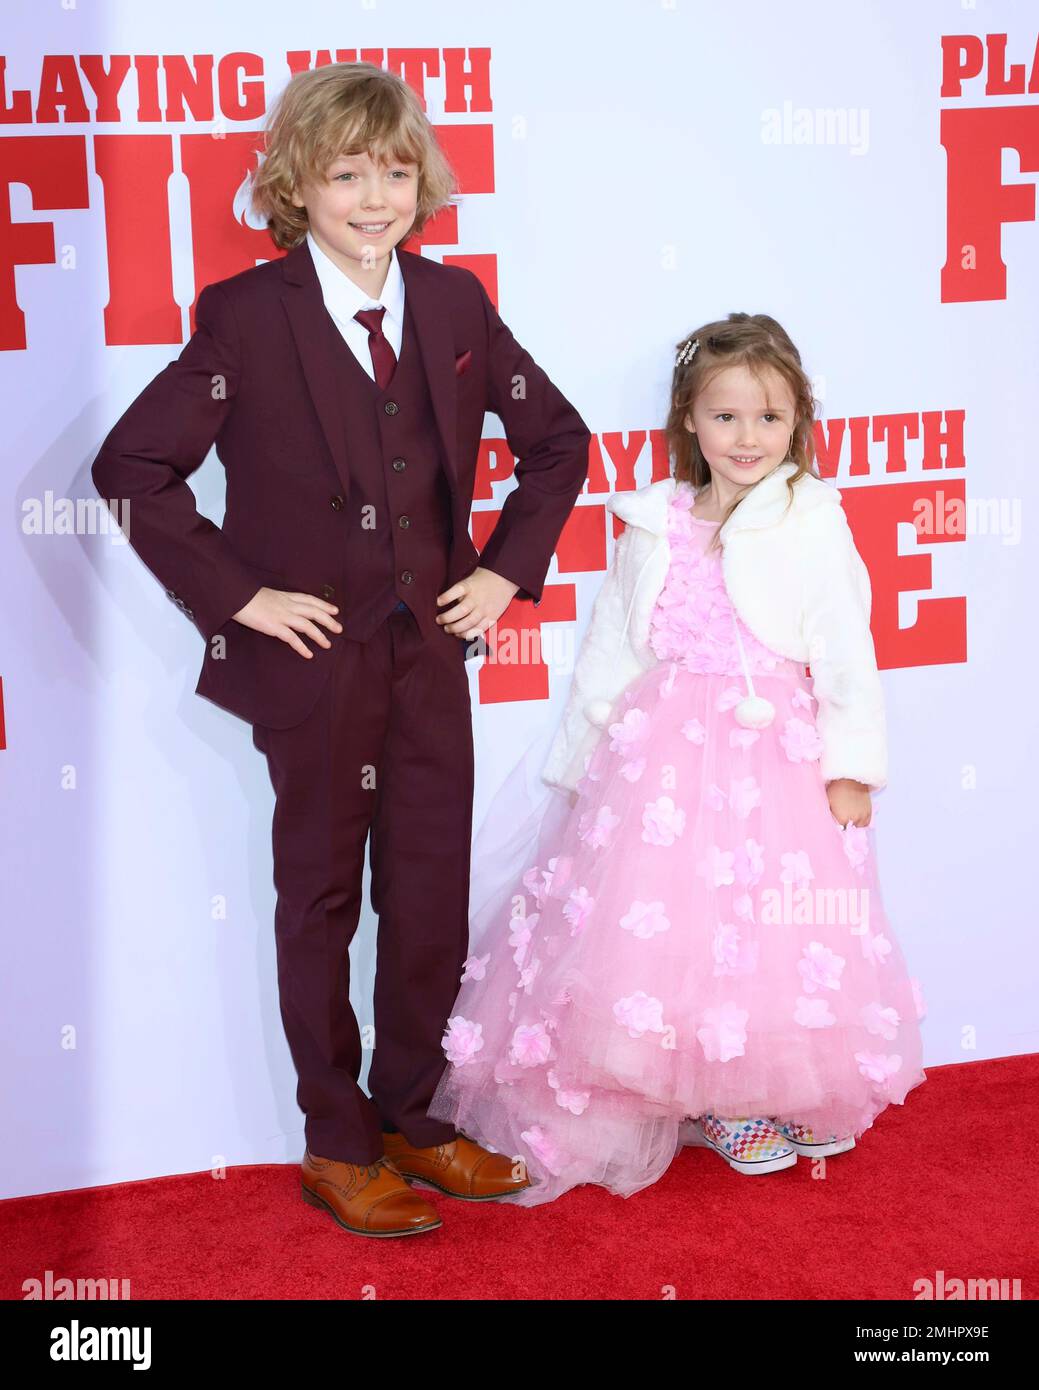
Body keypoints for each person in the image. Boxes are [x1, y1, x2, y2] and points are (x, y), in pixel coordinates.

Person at [90, 61, 590, 1237]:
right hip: (314, 663)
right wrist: (241, 596)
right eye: (346, 173)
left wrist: (504, 569)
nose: (375, 196)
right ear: (295, 186)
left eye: (396, 169)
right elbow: (132, 468)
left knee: (427, 888)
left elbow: (555, 441)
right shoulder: (247, 317)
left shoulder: (457, 305)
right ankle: (334, 1137)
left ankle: (414, 1114)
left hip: (429, 655)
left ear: (425, 180)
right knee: (318, 895)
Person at [428, 313, 926, 1205]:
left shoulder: (811, 519)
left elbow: (848, 647)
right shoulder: (653, 524)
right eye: (725, 416)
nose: (746, 438)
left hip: (777, 750)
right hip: (662, 759)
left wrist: (852, 765)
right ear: (688, 420)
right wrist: (585, 767)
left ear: (796, 424)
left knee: (779, 924)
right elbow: (615, 651)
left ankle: (783, 1081)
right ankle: (717, 1096)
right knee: (675, 924)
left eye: (768, 419)